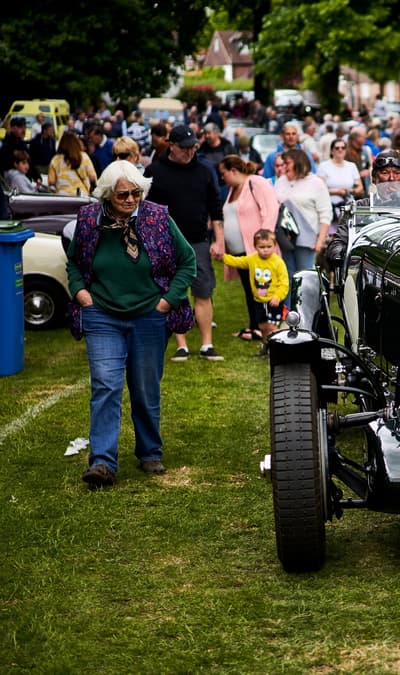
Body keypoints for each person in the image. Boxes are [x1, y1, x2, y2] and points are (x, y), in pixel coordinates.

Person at [69, 160, 197, 488]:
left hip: (149, 315)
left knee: (145, 387)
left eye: (136, 192)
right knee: (105, 385)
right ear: (107, 195)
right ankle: (102, 462)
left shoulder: (158, 218)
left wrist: (166, 302)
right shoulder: (89, 220)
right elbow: (74, 262)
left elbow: (188, 261)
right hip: (102, 314)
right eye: (123, 194)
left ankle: (150, 451)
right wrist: (82, 294)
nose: (130, 199)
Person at [145, 125, 225, 362]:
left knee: (203, 290)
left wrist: (219, 240)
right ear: (171, 146)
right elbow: (147, 209)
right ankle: (182, 345)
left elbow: (215, 207)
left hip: (198, 239)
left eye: (193, 147)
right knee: (174, 291)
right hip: (167, 242)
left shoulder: (204, 170)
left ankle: (207, 344)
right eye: (184, 148)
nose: (190, 152)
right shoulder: (155, 171)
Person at [218, 155, 279, 344]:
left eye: (223, 173)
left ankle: (267, 328)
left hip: (257, 250)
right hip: (240, 251)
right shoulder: (232, 190)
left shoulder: (256, 182)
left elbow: (271, 209)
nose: (222, 178)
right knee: (249, 289)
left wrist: (265, 241)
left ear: (234, 170)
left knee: (262, 289)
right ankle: (255, 326)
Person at [222, 229, 289, 356]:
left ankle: (275, 350)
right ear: (255, 246)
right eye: (262, 247)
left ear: (275, 246)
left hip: (274, 301)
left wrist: (278, 296)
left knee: (272, 327)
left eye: (269, 246)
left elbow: (284, 283)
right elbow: (238, 261)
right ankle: (265, 346)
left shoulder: (278, 262)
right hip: (258, 301)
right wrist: (223, 257)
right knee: (262, 326)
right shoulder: (252, 259)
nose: (265, 250)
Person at [273, 148, 333, 282]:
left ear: (298, 162)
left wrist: (320, 241)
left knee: (304, 277)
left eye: (287, 163)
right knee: (286, 277)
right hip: (284, 239)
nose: (284, 167)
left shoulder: (316, 183)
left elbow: (325, 213)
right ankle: (289, 298)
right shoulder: (280, 181)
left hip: (307, 240)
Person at [317, 138, 364, 211]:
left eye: (343, 148)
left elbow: (360, 188)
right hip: (329, 206)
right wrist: (337, 191)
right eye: (337, 148)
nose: (340, 150)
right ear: (332, 151)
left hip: (349, 207)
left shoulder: (352, 166)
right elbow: (319, 189)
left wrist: (349, 191)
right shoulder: (323, 166)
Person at [48, 130, 97, 196]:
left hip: (62, 196)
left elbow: (51, 181)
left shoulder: (56, 159)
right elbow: (92, 177)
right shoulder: (84, 156)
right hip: (81, 195)